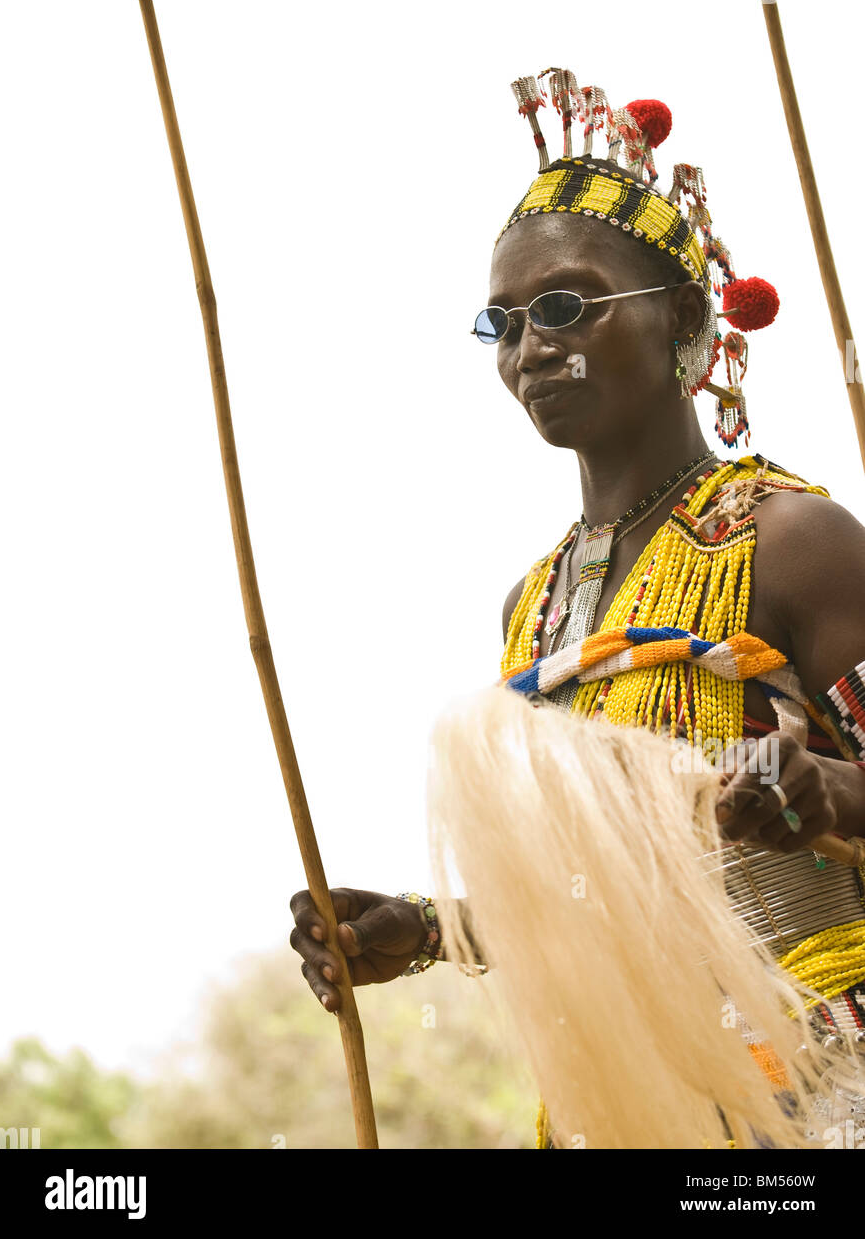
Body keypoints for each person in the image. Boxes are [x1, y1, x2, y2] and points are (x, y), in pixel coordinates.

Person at [290, 69, 865, 1146]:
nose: (530, 348)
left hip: (816, 1084)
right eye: (502, 322)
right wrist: (429, 929)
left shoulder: (794, 542)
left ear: (685, 319)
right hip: (633, 1106)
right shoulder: (534, 607)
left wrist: (823, 790)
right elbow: (600, 885)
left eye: (565, 305)